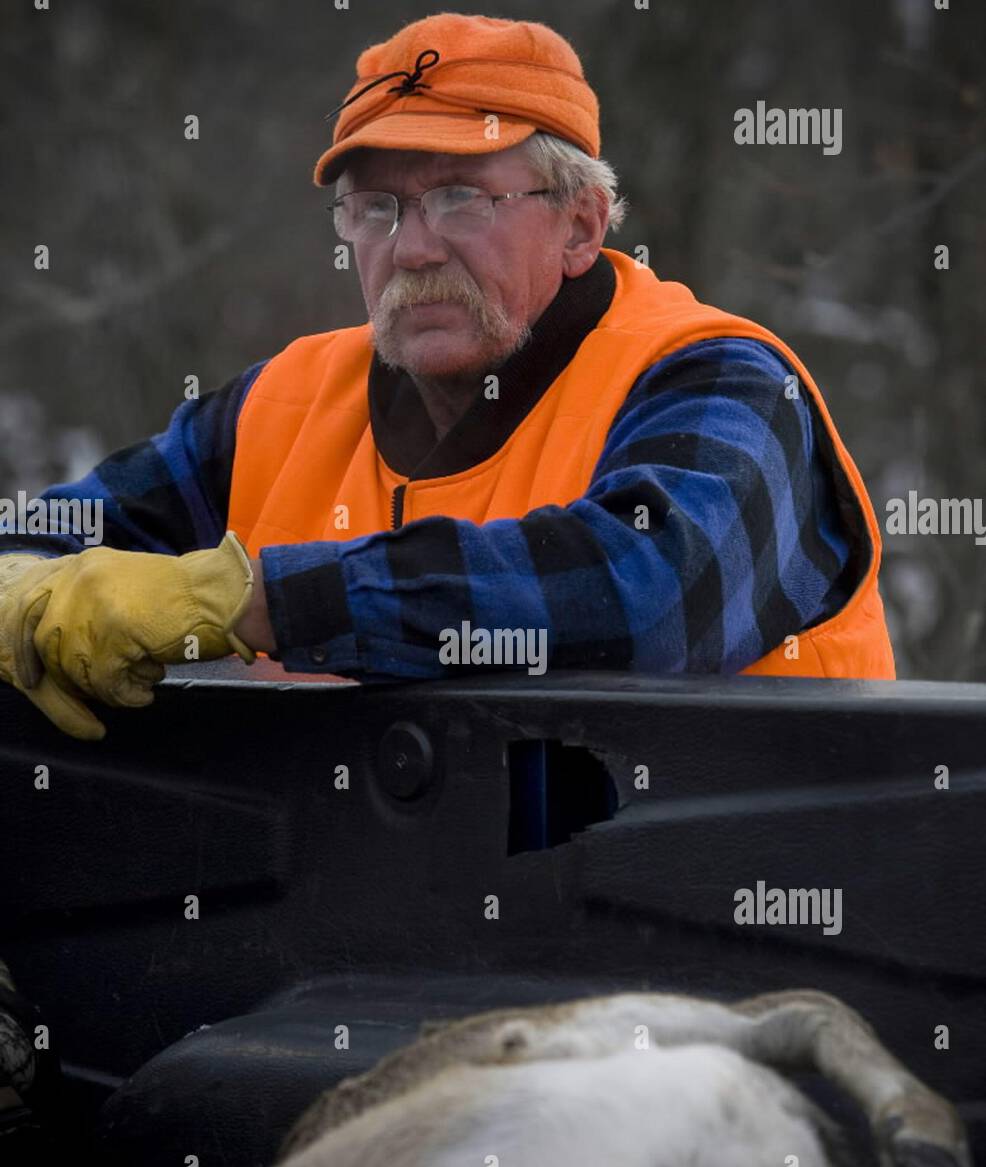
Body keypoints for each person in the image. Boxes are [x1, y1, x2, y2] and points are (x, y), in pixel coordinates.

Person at [0, 12, 895, 744]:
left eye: (462, 198)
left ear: (581, 225)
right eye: (376, 208)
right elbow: (66, 530)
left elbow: (649, 593)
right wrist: (22, 584)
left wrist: (255, 601)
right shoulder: (289, 400)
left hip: (740, 940)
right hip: (374, 940)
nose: (414, 248)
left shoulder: (715, 380)